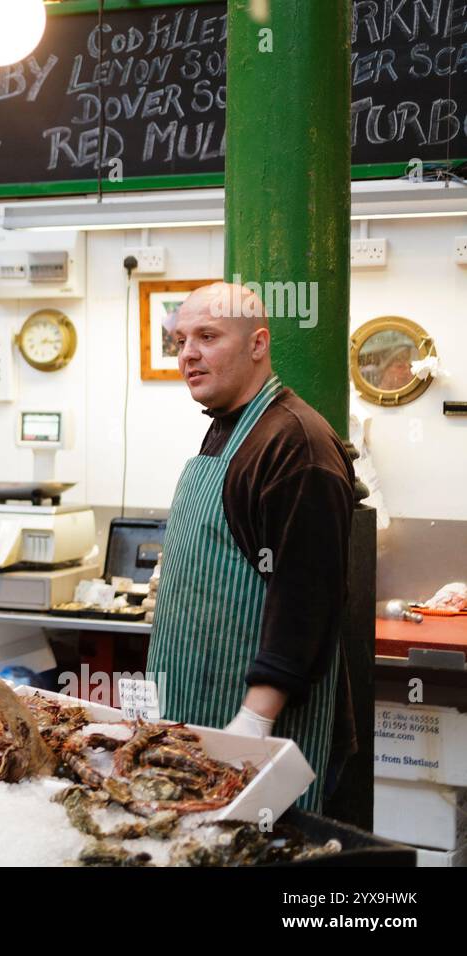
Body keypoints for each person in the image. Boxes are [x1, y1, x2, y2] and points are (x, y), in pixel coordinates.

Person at [146, 282, 356, 813]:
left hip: (259, 734)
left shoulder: (294, 441)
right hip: (198, 711)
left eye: (207, 336)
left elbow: (308, 595)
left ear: (258, 344)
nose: (188, 353)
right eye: (180, 339)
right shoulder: (228, 426)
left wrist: (256, 718)